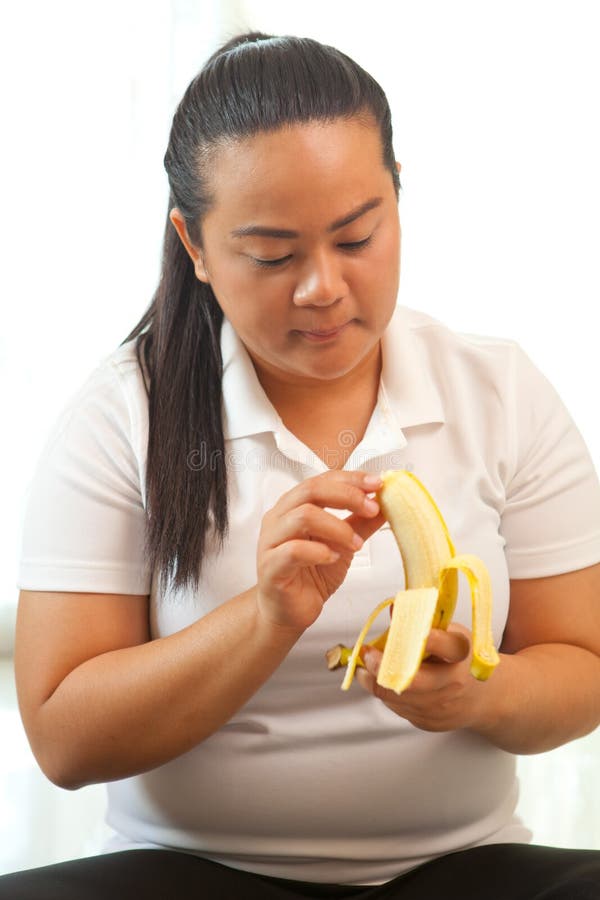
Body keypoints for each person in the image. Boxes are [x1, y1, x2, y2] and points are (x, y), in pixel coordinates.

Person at [3, 30, 600, 900]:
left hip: (463, 868)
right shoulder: (122, 414)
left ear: (398, 198)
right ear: (195, 245)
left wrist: (484, 692)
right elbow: (63, 739)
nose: (321, 286)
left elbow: (583, 664)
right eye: (273, 255)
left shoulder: (498, 390)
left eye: (357, 237)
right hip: (188, 872)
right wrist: (264, 618)